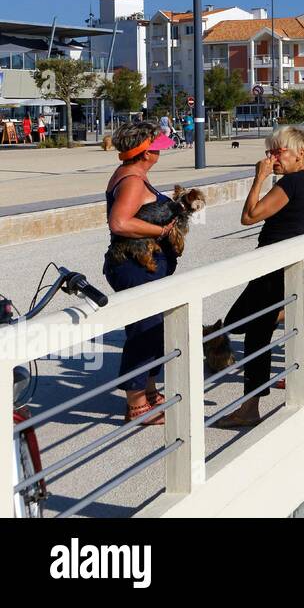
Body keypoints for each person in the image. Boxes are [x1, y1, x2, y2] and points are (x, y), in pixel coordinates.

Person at [214, 126, 304, 428]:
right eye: (270, 151)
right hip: (288, 266)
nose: (272, 157)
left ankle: (250, 409)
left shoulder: (289, 184)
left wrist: (259, 178)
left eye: (279, 151)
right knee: (249, 328)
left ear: (301, 152)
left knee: (244, 329)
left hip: (271, 268)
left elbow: (248, 217)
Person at [103, 121, 180, 425]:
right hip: (134, 266)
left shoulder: (134, 174)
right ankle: (136, 404)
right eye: (155, 147)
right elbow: (119, 223)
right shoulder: (133, 180)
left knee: (153, 329)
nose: (159, 152)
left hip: (140, 264)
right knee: (143, 332)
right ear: (145, 152)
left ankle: (148, 389)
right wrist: (161, 231)